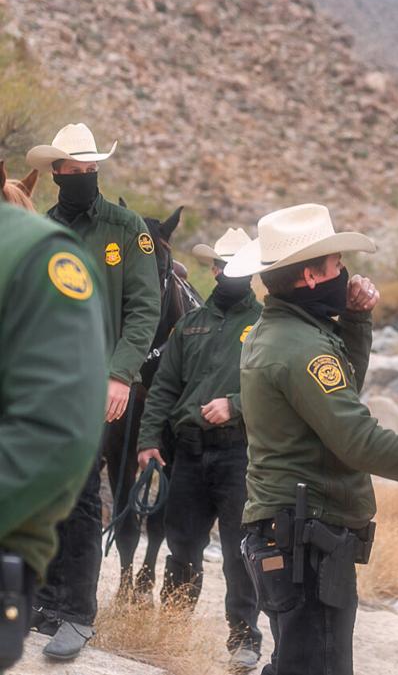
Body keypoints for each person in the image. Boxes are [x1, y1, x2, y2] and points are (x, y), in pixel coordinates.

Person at [225, 204, 398, 675]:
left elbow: (340, 398)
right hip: (304, 542)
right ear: (311, 277)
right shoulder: (300, 347)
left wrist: (355, 321)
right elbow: (360, 440)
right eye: (336, 264)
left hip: (294, 536)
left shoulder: (281, 332)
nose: (346, 273)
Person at [24, 123, 162, 659]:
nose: (84, 176)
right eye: (74, 170)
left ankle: (77, 615)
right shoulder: (41, 228)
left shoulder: (126, 229)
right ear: (56, 172)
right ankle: (47, 601)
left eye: (91, 169)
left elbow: (144, 308)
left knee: (80, 493)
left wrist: (121, 374)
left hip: (94, 379)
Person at [136, 228, 262, 671]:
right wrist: (148, 439)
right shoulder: (189, 325)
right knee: (182, 545)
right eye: (223, 265)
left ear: (252, 272)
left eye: (237, 267)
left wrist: (237, 406)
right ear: (214, 268)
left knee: (238, 550)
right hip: (188, 454)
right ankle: (172, 629)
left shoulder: (265, 326)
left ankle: (244, 637)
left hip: (239, 454)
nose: (228, 273)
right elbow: (163, 387)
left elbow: (278, 391)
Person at [0, 201, 108, 673]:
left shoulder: (44, 256)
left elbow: (55, 434)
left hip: (84, 377)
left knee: (83, 503)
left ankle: (76, 612)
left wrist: (122, 375)